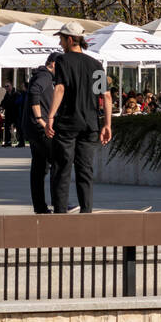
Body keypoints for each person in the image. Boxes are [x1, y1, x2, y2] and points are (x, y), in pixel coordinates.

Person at [46, 23, 112, 215]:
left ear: (70, 39)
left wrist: (50, 116)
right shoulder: (96, 64)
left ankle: (60, 213)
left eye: (61, 39)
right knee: (85, 169)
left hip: (67, 123)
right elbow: (106, 96)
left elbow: (60, 88)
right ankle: (86, 211)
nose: (59, 42)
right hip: (90, 125)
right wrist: (107, 124)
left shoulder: (63, 61)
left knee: (61, 169)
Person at [27, 52, 59, 214]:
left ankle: (40, 207)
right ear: (53, 64)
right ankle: (59, 203)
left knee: (39, 168)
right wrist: (40, 118)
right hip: (40, 128)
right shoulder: (45, 76)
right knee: (59, 162)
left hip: (32, 128)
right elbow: (34, 91)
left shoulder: (40, 75)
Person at [0, 82, 17, 146]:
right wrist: (0, 106)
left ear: (11, 86)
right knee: (7, 127)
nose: (6, 87)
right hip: (8, 113)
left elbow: (15, 103)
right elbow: (3, 102)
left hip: (15, 113)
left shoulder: (16, 93)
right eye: (5, 86)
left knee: (17, 127)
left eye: (8, 86)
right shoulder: (6, 94)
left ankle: (21, 141)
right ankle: (7, 141)